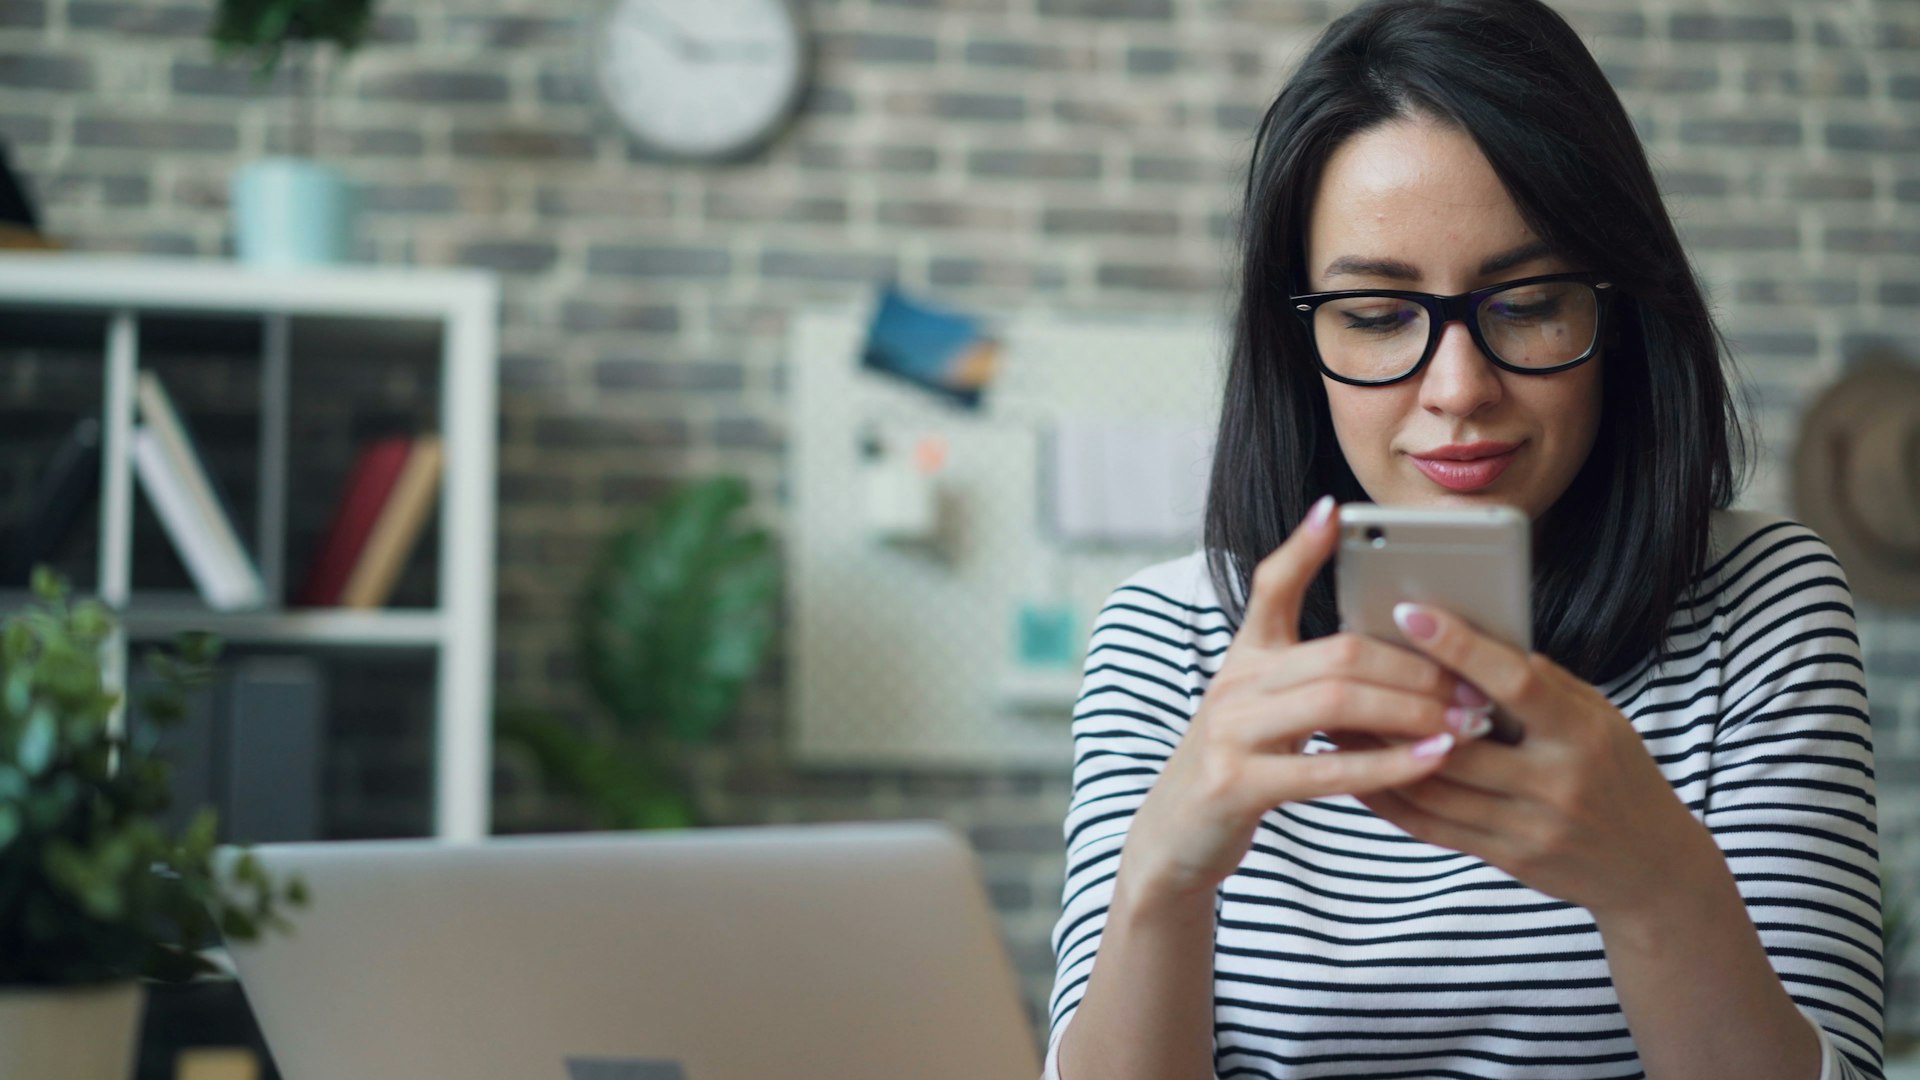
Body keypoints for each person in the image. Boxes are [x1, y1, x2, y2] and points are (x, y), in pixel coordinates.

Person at [1042, 1, 1884, 1078]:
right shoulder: (1164, 636)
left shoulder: (1758, 604)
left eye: (1528, 303)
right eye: (1378, 316)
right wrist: (1165, 878)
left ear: (1622, 318)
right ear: (1296, 345)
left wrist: (1656, 881)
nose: (1457, 391)